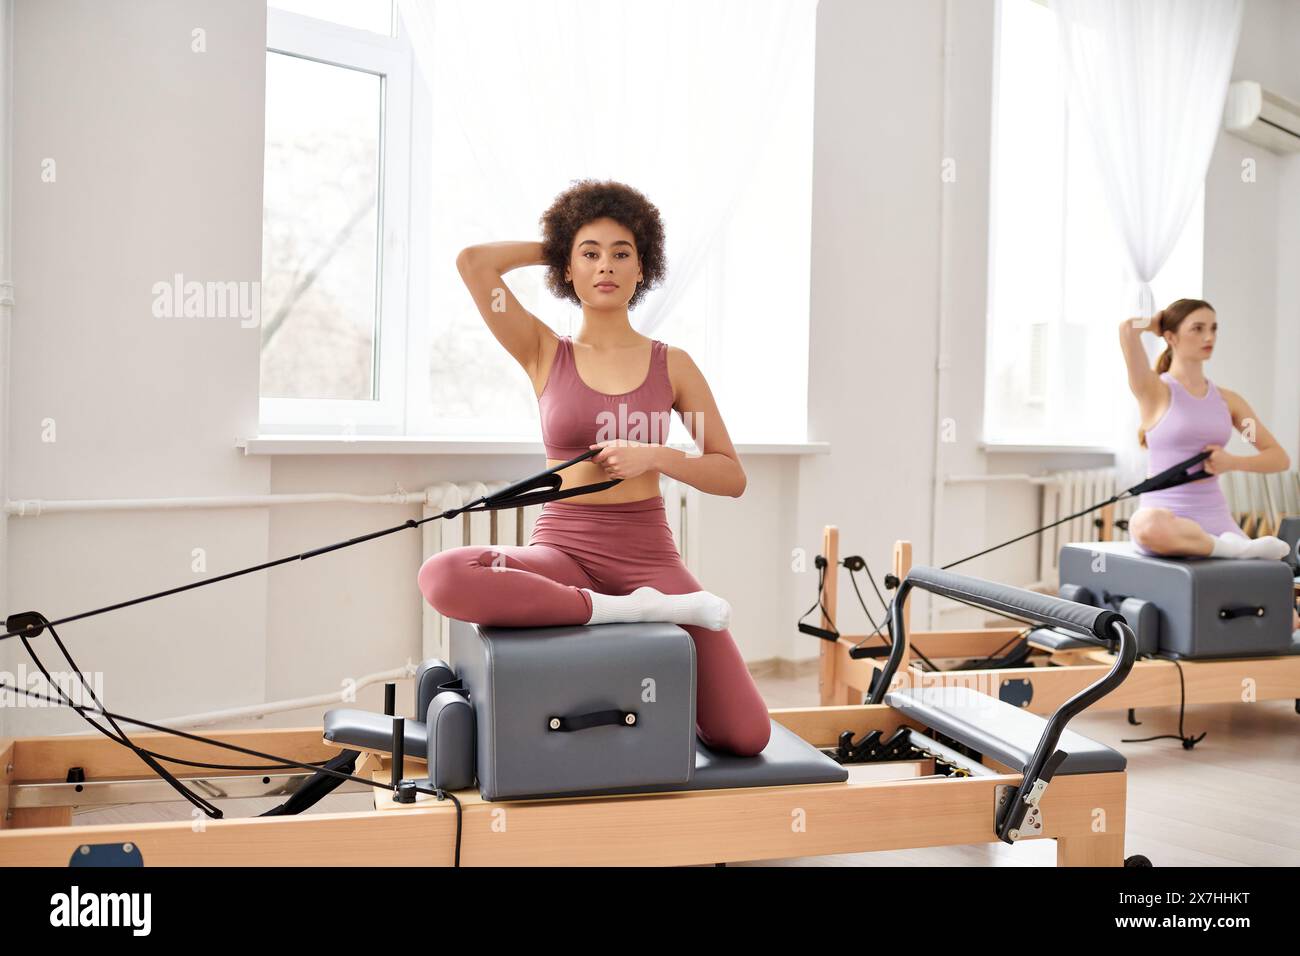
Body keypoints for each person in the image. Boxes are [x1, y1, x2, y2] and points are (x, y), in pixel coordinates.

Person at [417, 180, 771, 756]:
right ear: (569, 270)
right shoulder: (543, 352)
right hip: (563, 554)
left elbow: (729, 475)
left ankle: (639, 615)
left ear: (642, 269)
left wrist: (656, 455)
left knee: (746, 734)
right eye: (590, 252)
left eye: (621, 253)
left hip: (650, 558)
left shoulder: (673, 367)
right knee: (442, 575)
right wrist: (555, 243)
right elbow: (474, 263)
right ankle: (622, 613)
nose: (605, 265)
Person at [1118, 298, 1297, 630]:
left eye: (1213, 328)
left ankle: (1230, 547)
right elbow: (1128, 330)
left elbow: (1277, 457)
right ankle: (1232, 551)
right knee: (1145, 526)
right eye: (1197, 329)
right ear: (1171, 337)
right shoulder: (1155, 391)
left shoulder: (1227, 402)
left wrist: (1232, 462)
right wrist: (1157, 322)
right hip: (1167, 519)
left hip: (1215, 517)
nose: (1208, 337)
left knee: (1288, 618)